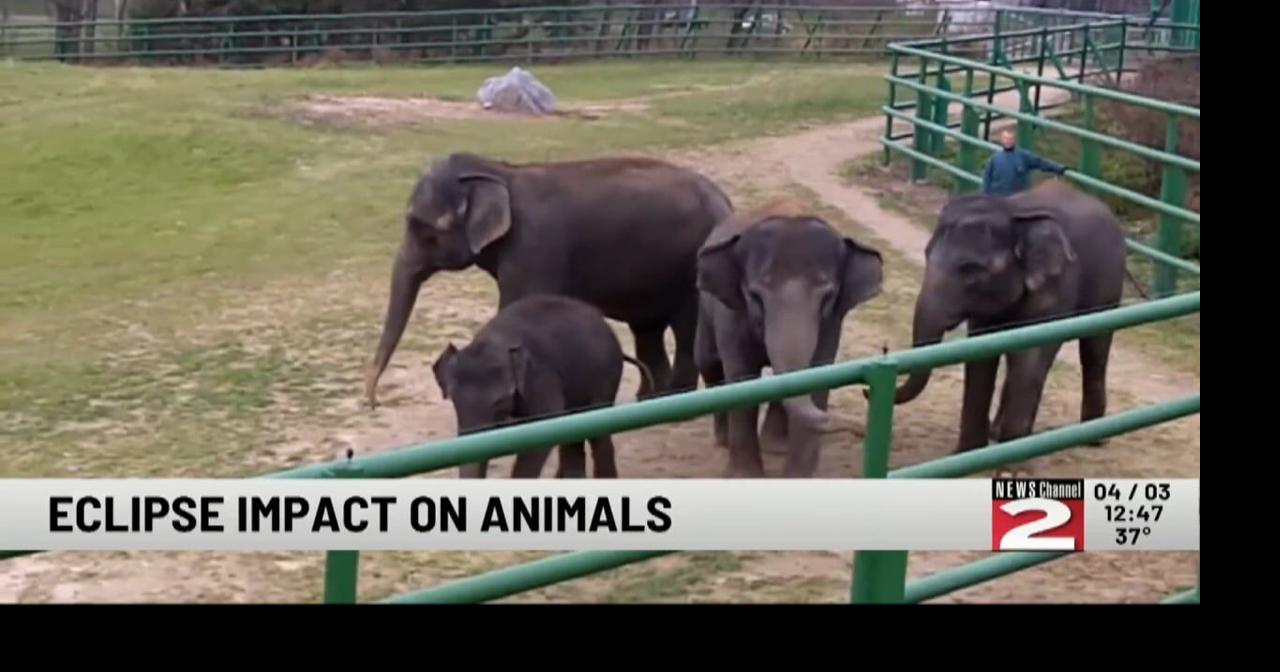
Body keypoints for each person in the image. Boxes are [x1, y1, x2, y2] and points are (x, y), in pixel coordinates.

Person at [981, 129, 1067, 196]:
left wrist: (1058, 168)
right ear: (1002, 140)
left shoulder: (1023, 156)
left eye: (1010, 139)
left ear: (1014, 140)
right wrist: (985, 197)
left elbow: (1040, 162)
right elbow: (986, 178)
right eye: (1006, 139)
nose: (1008, 141)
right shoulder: (994, 159)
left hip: (1018, 199)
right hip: (999, 200)